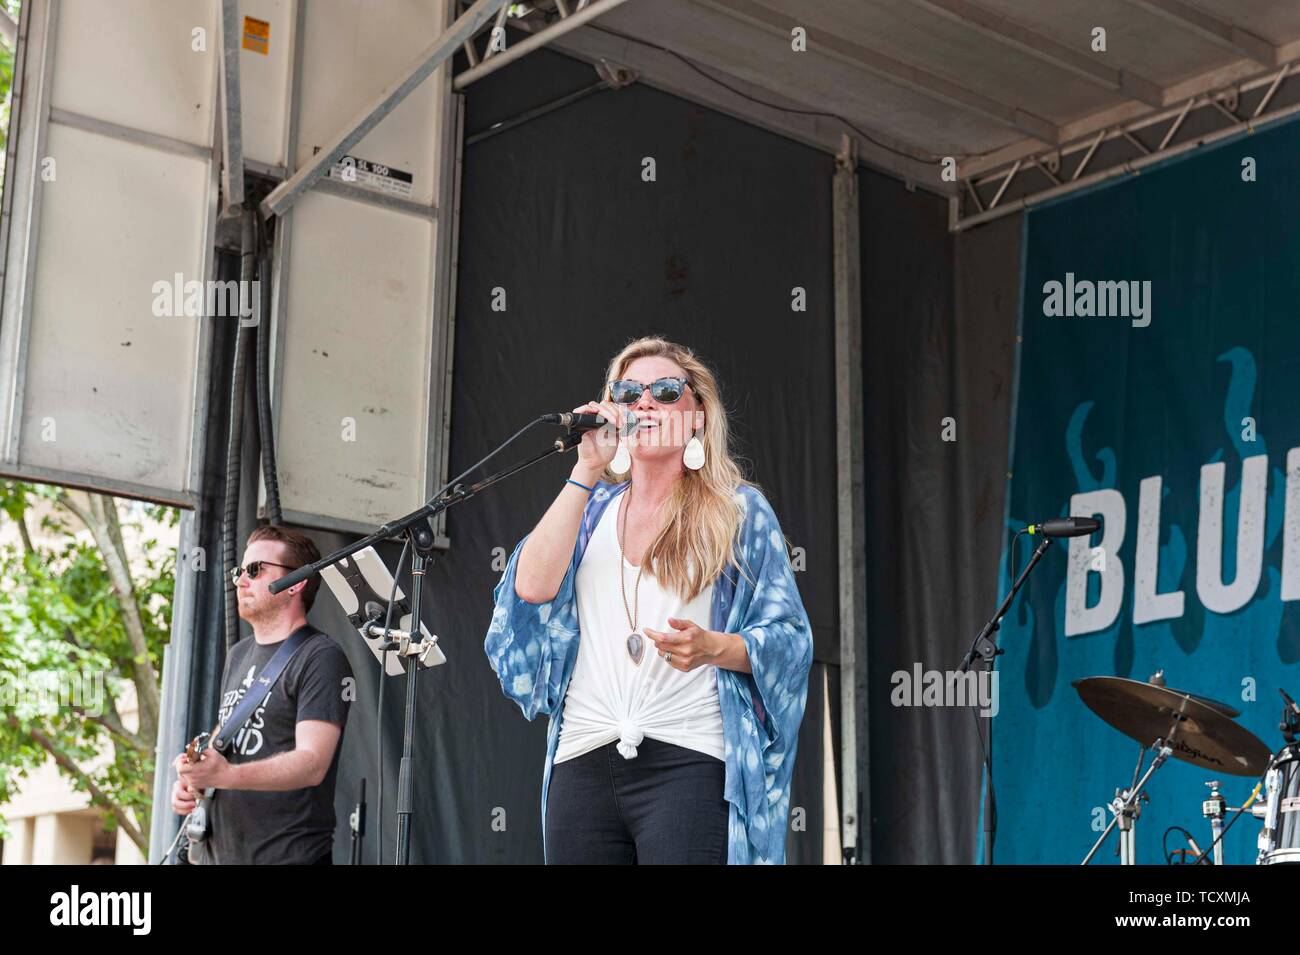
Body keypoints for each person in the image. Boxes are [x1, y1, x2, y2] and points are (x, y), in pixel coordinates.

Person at [485, 336, 813, 864]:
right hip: (582, 755)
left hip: (690, 757)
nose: (644, 402)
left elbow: (791, 643)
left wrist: (713, 647)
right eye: (627, 392)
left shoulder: (737, 512)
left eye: (664, 391)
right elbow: (530, 588)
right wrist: (586, 468)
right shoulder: (590, 510)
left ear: (697, 415)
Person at [172, 524, 353, 865]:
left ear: (295, 582)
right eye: (239, 571)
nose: (241, 580)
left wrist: (226, 776)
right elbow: (227, 736)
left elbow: (312, 763)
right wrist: (196, 777)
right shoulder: (239, 654)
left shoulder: (321, 657)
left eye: (255, 570)